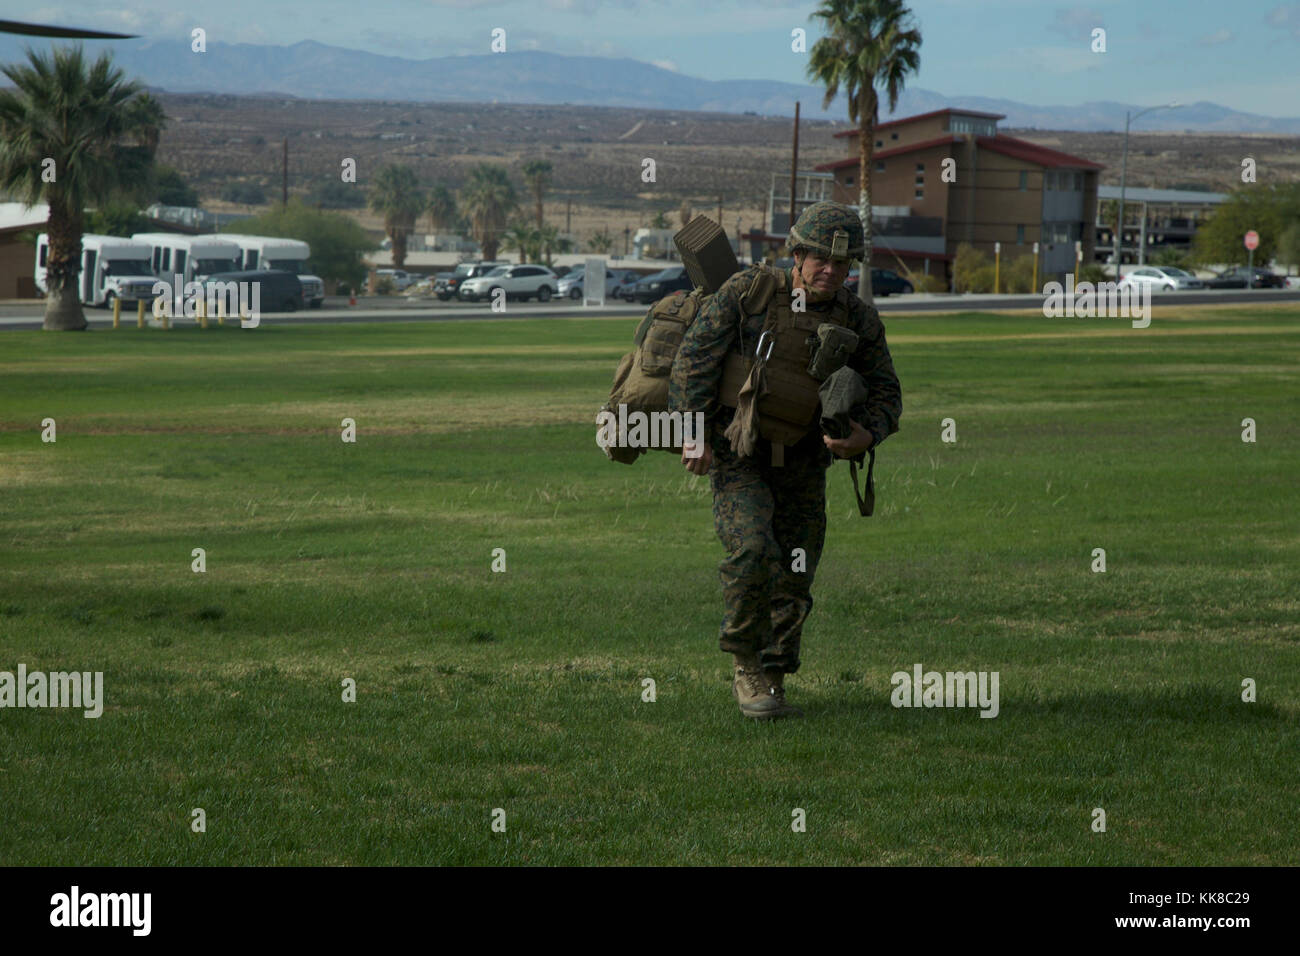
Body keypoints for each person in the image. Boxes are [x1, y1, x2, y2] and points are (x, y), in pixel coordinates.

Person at [668, 202, 902, 719]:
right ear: (796, 254)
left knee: (795, 574)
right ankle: (745, 663)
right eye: (820, 259)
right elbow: (693, 362)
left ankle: (773, 675)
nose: (831, 272)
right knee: (752, 551)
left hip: (803, 462)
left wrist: (866, 434)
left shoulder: (857, 317)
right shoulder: (748, 294)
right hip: (740, 453)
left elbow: (888, 393)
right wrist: (693, 434)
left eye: (842, 265)